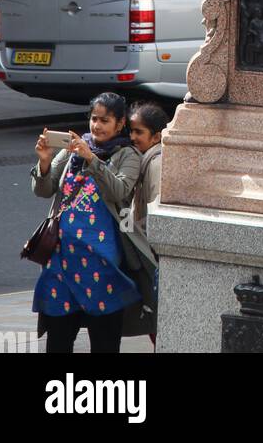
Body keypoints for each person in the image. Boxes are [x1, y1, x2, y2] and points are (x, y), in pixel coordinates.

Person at [31, 92, 141, 353]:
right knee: (58, 340)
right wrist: (44, 162)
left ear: (120, 123)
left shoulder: (128, 155)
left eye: (105, 120)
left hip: (102, 265)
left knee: (104, 342)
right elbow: (44, 190)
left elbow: (119, 191)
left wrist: (92, 159)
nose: (97, 126)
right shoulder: (73, 150)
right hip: (61, 260)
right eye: (94, 119)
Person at [127, 101, 168, 345]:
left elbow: (156, 211)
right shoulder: (147, 159)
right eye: (131, 131)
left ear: (157, 136)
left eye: (138, 132)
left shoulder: (156, 163)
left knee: (158, 322)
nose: (132, 137)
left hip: (153, 253)